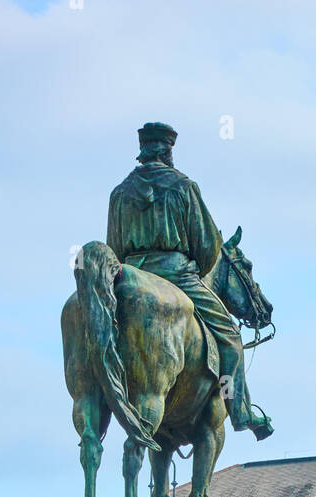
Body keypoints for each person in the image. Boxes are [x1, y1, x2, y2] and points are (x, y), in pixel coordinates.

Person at [106, 122, 273, 442]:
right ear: (167, 151)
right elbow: (210, 246)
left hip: (130, 275)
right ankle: (240, 412)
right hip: (177, 276)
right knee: (230, 337)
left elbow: (113, 247)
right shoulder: (184, 187)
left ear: (143, 151)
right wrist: (193, 266)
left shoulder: (119, 193)